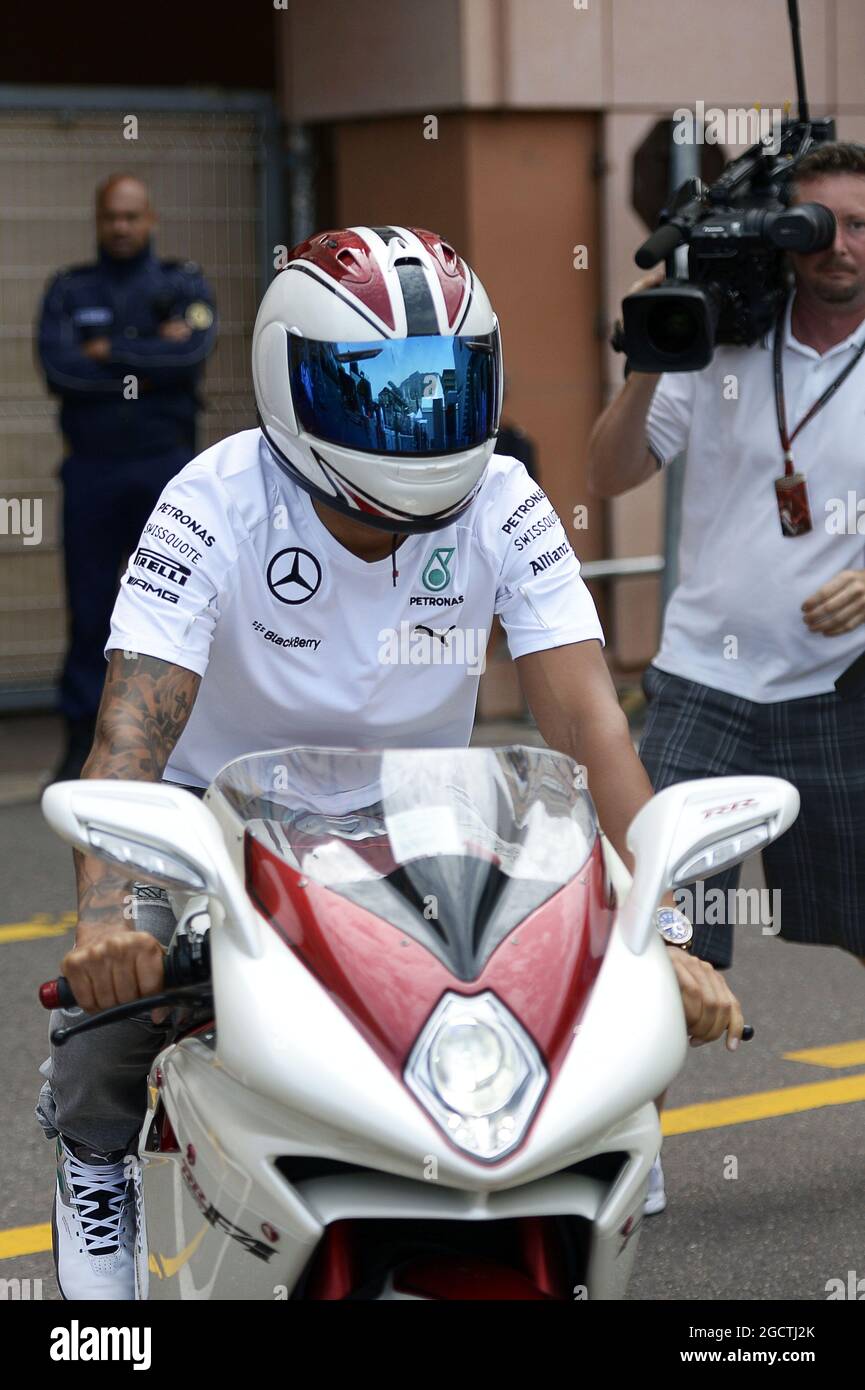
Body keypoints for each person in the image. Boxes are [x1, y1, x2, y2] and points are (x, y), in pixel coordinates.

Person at [36, 224, 743, 1299]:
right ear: (292, 384)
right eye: (377, 389)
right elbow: (130, 740)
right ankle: (96, 1181)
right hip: (221, 822)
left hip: (421, 819)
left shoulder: (505, 497)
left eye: (445, 387)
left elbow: (590, 725)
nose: (417, 418)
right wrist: (103, 918)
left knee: (589, 1005)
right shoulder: (209, 502)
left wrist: (667, 928)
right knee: (105, 1032)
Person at [587, 141, 865, 1207]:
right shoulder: (720, 340)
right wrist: (654, 349)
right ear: (778, 234)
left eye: (858, 223)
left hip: (837, 686)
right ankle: (629, 1152)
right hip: (703, 680)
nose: (840, 243)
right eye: (818, 223)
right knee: (651, 921)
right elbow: (604, 474)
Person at [37, 174, 217, 780]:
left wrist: (107, 350)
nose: (121, 227)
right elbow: (60, 372)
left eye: (132, 216)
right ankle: (78, 746)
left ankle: (177, 751)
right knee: (91, 612)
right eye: (111, 216)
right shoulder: (69, 290)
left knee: (179, 608)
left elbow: (191, 357)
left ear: (151, 219)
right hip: (92, 472)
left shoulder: (181, 284)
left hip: (166, 472)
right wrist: (146, 351)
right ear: (97, 219)